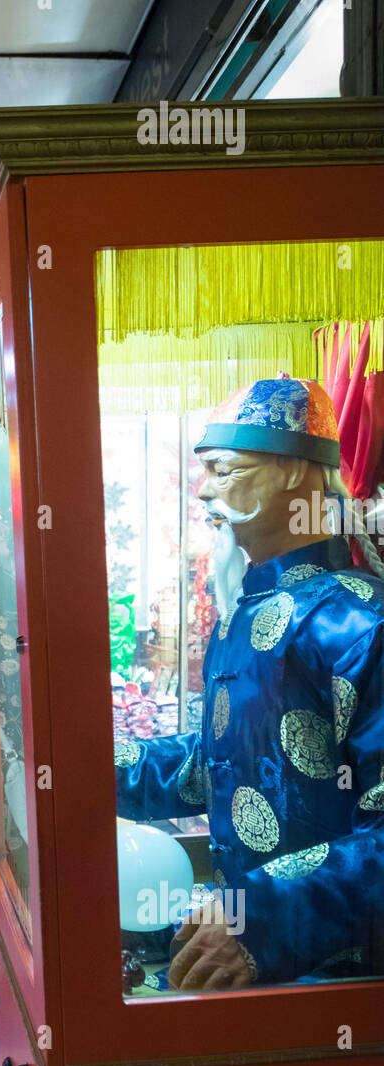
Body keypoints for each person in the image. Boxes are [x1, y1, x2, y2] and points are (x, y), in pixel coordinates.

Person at [114, 377, 384, 991]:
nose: (203, 489)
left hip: (344, 984)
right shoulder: (248, 611)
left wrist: (261, 921)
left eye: (223, 469)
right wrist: (92, 771)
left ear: (294, 472)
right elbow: (225, 766)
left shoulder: (361, 621)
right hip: (244, 968)